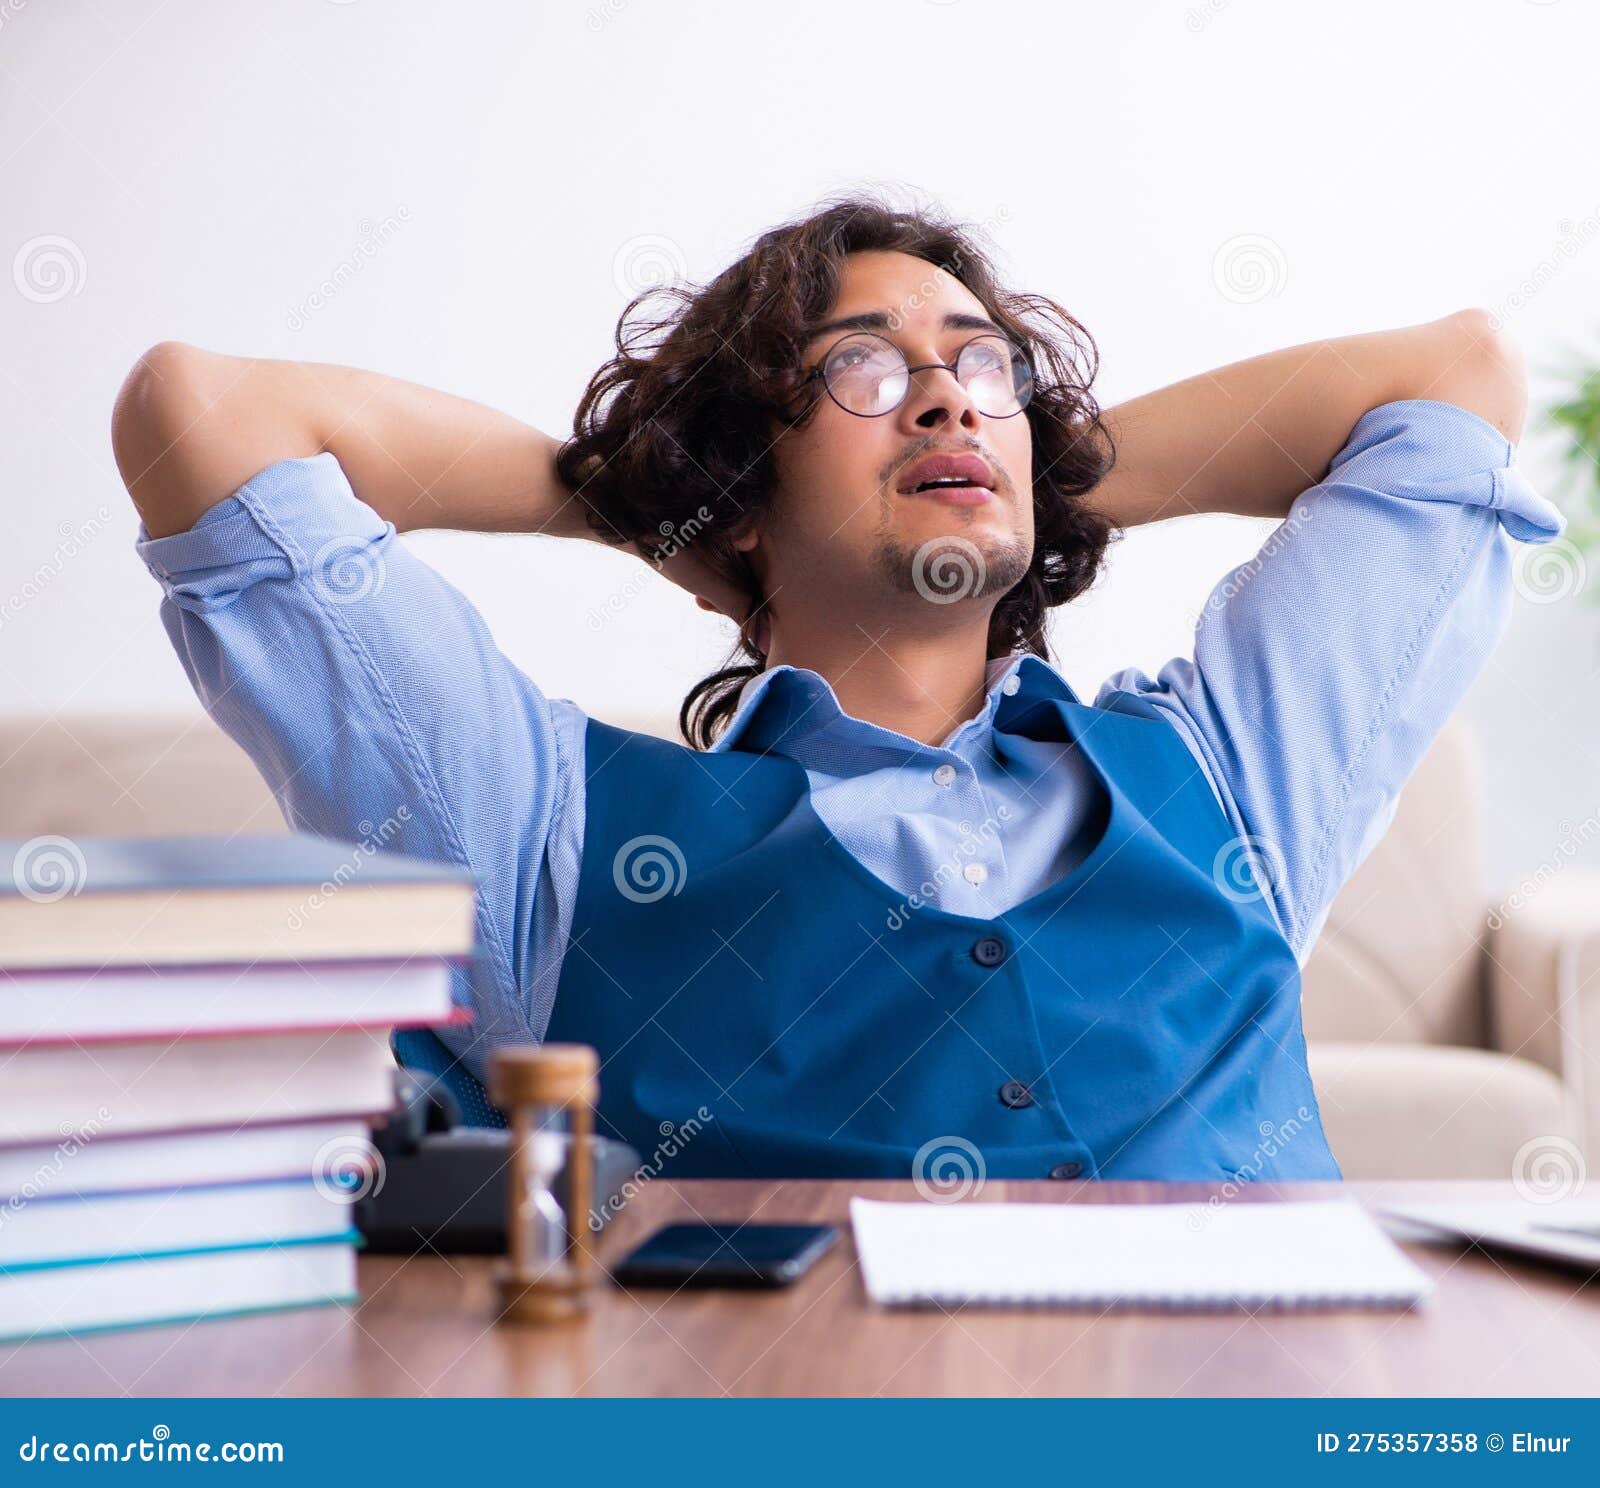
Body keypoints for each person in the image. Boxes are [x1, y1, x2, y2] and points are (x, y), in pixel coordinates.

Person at [111, 196, 1560, 1181]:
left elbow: (1458, 379)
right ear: (742, 485)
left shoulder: (1234, 770)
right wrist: (647, 493)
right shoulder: (534, 824)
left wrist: (1030, 468)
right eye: (861, 369)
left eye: (981, 366)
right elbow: (208, 416)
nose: (945, 397)